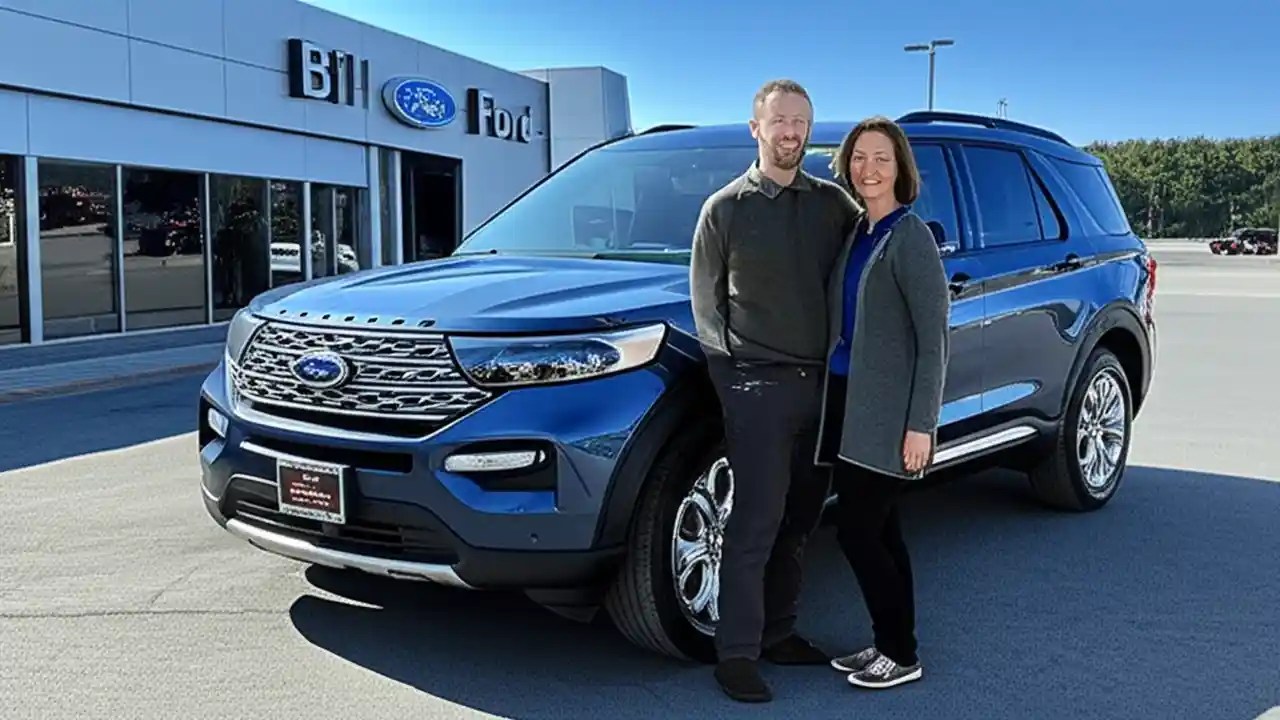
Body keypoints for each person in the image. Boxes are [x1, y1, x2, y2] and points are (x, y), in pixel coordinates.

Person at [689, 78, 861, 703]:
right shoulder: (726, 208)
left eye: (801, 122)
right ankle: (734, 654)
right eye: (780, 121)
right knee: (755, 523)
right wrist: (731, 386)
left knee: (801, 520)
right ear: (755, 128)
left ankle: (780, 633)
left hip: (822, 390)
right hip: (757, 389)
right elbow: (706, 309)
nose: (791, 132)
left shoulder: (834, 206)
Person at [816, 116, 950, 690]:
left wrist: (921, 425)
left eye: (882, 159)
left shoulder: (909, 236)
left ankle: (901, 652)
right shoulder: (859, 233)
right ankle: (890, 643)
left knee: (858, 531)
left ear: (901, 169)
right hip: (847, 401)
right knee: (884, 531)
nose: (869, 169)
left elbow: (933, 338)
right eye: (860, 158)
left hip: (888, 415)